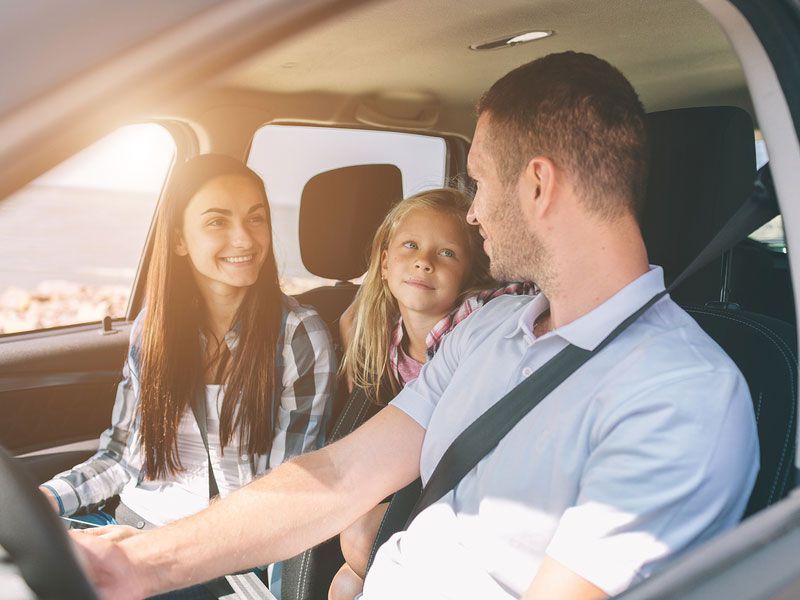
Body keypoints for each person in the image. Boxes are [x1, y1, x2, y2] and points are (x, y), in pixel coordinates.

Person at [72, 52, 758, 600]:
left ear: (539, 185)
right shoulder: (489, 331)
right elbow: (337, 476)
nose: (476, 212)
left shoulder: (678, 397)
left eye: (480, 183)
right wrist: (136, 564)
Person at [41, 154, 335, 536]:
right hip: (128, 523)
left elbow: (282, 493)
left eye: (256, 218)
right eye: (217, 221)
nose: (245, 238)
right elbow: (119, 457)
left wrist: (156, 550)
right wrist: (41, 501)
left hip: (221, 551)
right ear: (179, 239)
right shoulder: (154, 329)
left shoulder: (298, 336)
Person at [329, 187, 534, 600]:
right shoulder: (386, 338)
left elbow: (519, 299)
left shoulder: (477, 319)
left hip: (476, 486)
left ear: (470, 275)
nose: (424, 260)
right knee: (344, 583)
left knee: (357, 541)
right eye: (411, 246)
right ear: (384, 264)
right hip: (427, 480)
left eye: (447, 254)